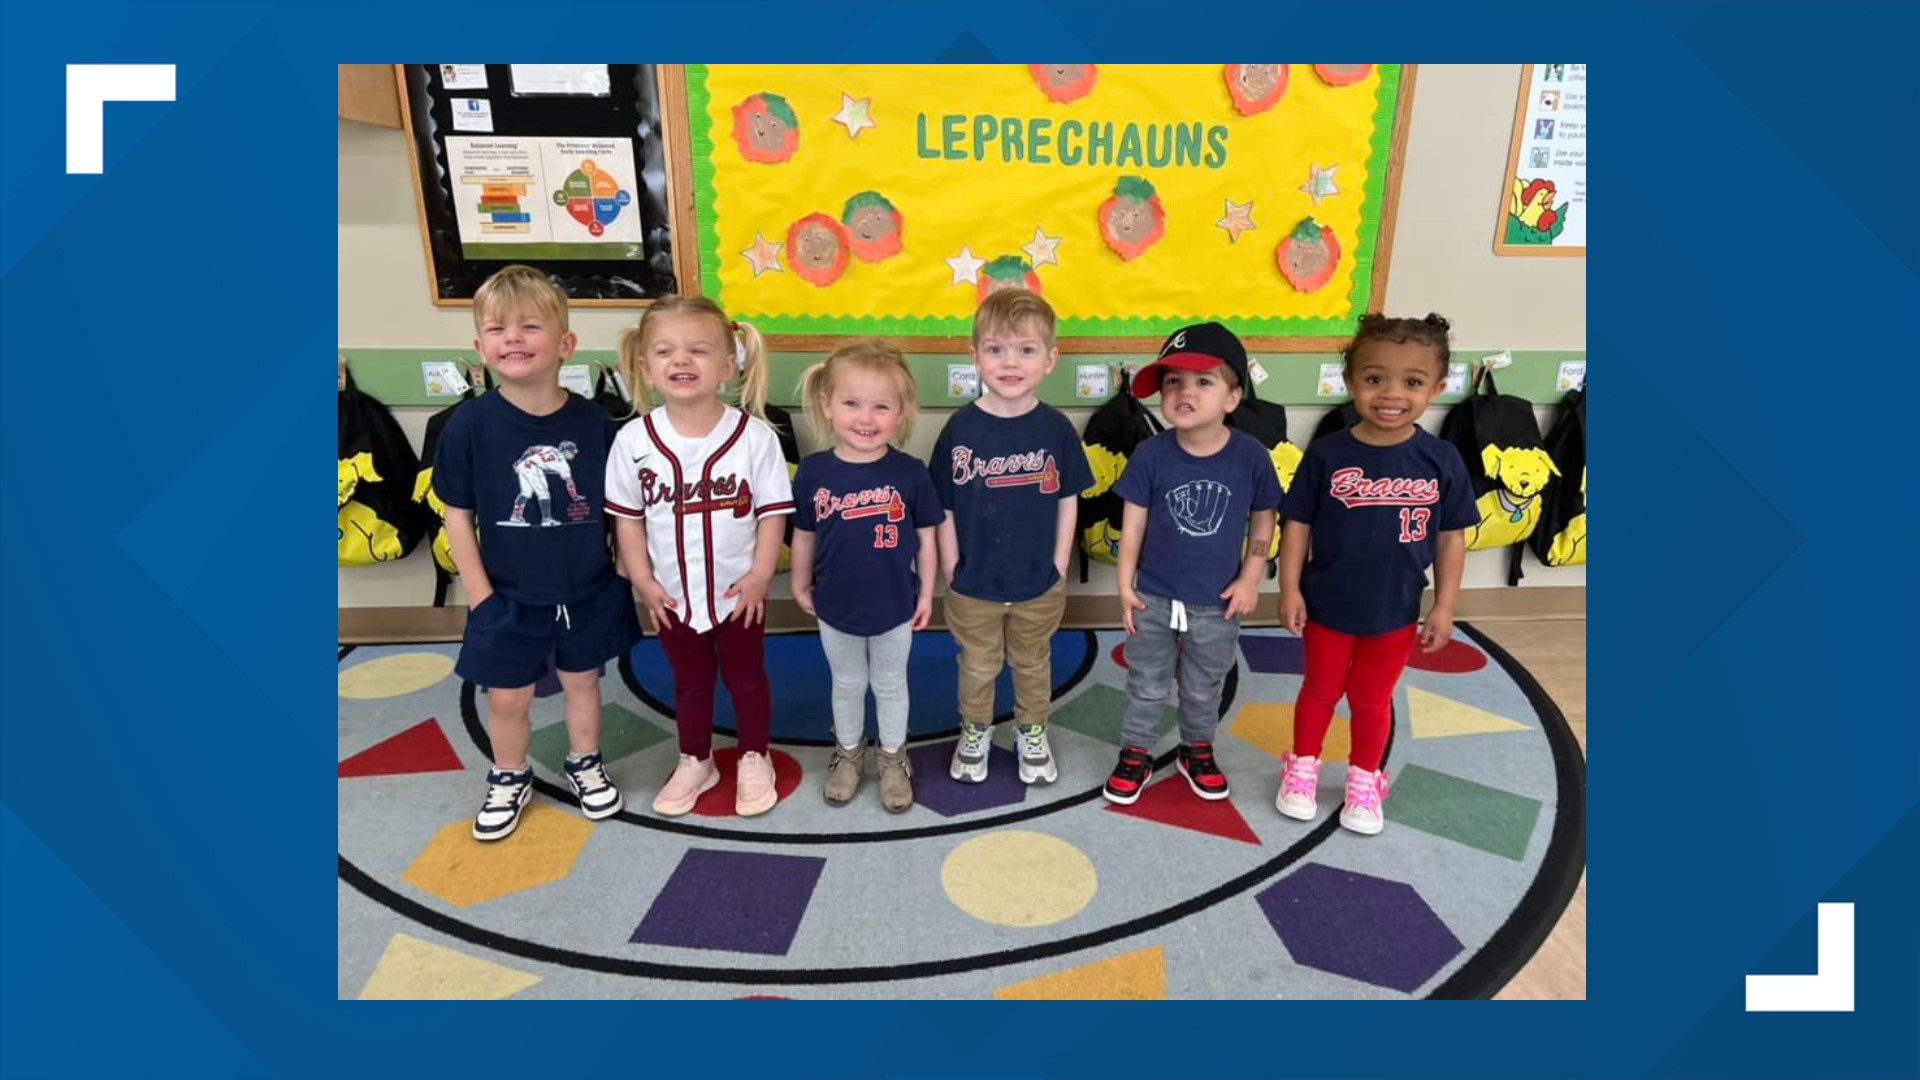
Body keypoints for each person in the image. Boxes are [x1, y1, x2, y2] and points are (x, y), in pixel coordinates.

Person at [434, 265, 640, 841]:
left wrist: (622, 577)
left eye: (529, 326)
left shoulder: (597, 424)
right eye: (498, 330)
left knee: (584, 684)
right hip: (506, 597)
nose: (513, 339)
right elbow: (457, 514)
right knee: (506, 699)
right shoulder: (468, 426)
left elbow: (622, 509)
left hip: (588, 589)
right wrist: (480, 596)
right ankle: (508, 775)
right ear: (480, 347)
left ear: (566, 344)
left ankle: (585, 762)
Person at [1276, 314, 1478, 834]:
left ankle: (1365, 778)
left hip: (1395, 611)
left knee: (1371, 698)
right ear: (1350, 383)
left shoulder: (1441, 459)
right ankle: (1302, 767)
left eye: (1411, 382)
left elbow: (1451, 536)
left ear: (1436, 388)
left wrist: (1446, 605)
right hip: (1327, 606)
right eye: (1374, 379)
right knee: (1319, 690)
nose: (1391, 393)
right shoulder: (1327, 453)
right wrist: (1290, 587)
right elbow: (1297, 522)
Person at [604, 298, 795, 817]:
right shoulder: (632, 441)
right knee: (689, 681)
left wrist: (760, 575)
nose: (681, 361)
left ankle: (755, 754)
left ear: (729, 365)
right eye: (665, 351)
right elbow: (628, 520)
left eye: (698, 350)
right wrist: (642, 580)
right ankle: (696, 757)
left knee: (747, 676)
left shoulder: (755, 437)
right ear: (644, 366)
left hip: (738, 595)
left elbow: (773, 514)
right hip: (671, 594)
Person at [1102, 324, 1280, 804]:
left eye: (1203, 382)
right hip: (1154, 597)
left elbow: (1263, 520)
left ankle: (1196, 748)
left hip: (1218, 600)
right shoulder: (1150, 455)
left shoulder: (1251, 457)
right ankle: (1135, 751)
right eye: (1173, 381)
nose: (1185, 392)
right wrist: (1125, 586)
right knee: (1146, 682)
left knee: (1205, 684)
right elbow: (1132, 526)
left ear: (1232, 397)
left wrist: (1250, 577)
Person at [932, 288, 1093, 785]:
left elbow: (1069, 498)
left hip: (1038, 579)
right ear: (975, 355)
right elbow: (943, 504)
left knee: (1031, 663)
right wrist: (950, 566)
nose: (1010, 362)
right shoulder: (960, 428)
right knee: (978, 667)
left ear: (1049, 360)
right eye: (996, 349)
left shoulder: (1057, 430)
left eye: (1025, 350)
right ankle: (976, 731)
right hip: (973, 581)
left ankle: (1031, 732)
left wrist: (1059, 564)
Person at [790, 342, 943, 812]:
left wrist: (928, 593)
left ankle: (894, 757)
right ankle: (850, 753)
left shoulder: (911, 473)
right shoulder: (815, 472)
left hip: (896, 603)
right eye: (852, 403)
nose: (866, 417)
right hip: (835, 605)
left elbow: (928, 538)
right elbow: (803, 536)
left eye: (881, 406)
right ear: (827, 405)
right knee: (849, 683)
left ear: (900, 413)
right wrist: (798, 583)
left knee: (892, 683)